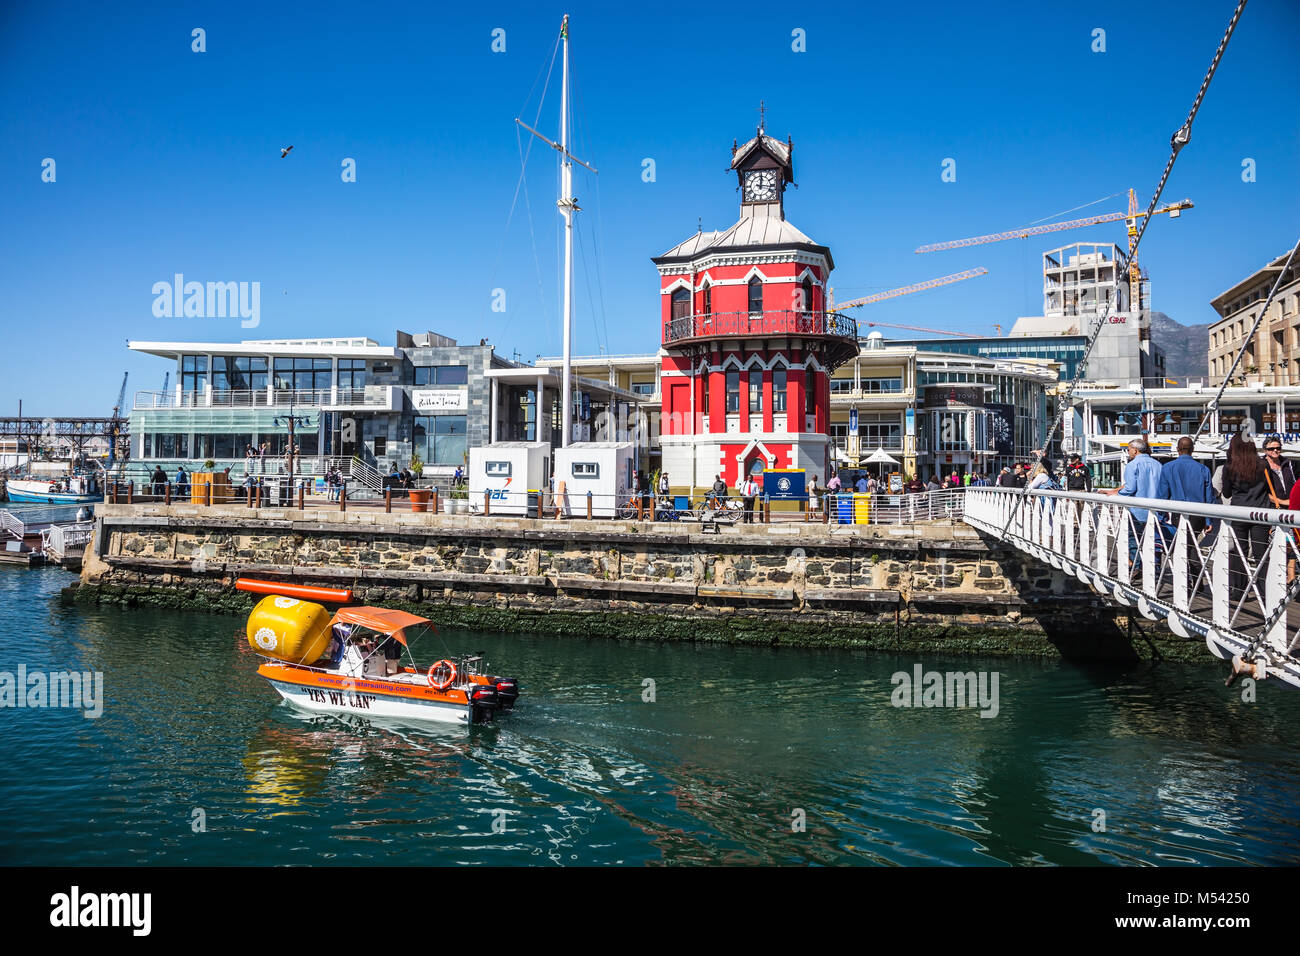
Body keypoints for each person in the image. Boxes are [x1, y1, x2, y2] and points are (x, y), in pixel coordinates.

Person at [1220, 433, 1274, 603]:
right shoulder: (1263, 464)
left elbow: (1227, 493)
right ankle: (1266, 593)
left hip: (1239, 512)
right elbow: (1269, 487)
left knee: (1239, 552)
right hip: (1261, 512)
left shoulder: (1229, 467)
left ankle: (1238, 591)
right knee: (1262, 553)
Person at [1103, 438, 1162, 573]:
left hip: (1137, 510)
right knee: (1154, 541)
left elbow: (1130, 488)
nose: (1128, 452)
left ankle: (1137, 568)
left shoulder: (1132, 465)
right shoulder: (1157, 464)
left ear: (1135, 450)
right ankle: (1155, 569)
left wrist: (1116, 494)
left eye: (1129, 449)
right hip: (1157, 509)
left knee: (1133, 539)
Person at [1156, 436, 1216, 534]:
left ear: (1177, 449)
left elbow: (1162, 495)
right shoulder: (1204, 469)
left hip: (1178, 512)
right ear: (1193, 449)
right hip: (1198, 513)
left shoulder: (1167, 468)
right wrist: (1209, 520)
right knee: (1192, 543)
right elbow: (1209, 496)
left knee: (1180, 542)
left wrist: (1161, 516)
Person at [1261, 436, 1296, 507]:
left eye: (1278, 448)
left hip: (1291, 505)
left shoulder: (1289, 464)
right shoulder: (1260, 466)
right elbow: (1261, 491)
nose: (1275, 450)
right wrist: (1281, 502)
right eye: (1271, 449)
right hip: (1271, 507)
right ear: (1265, 450)